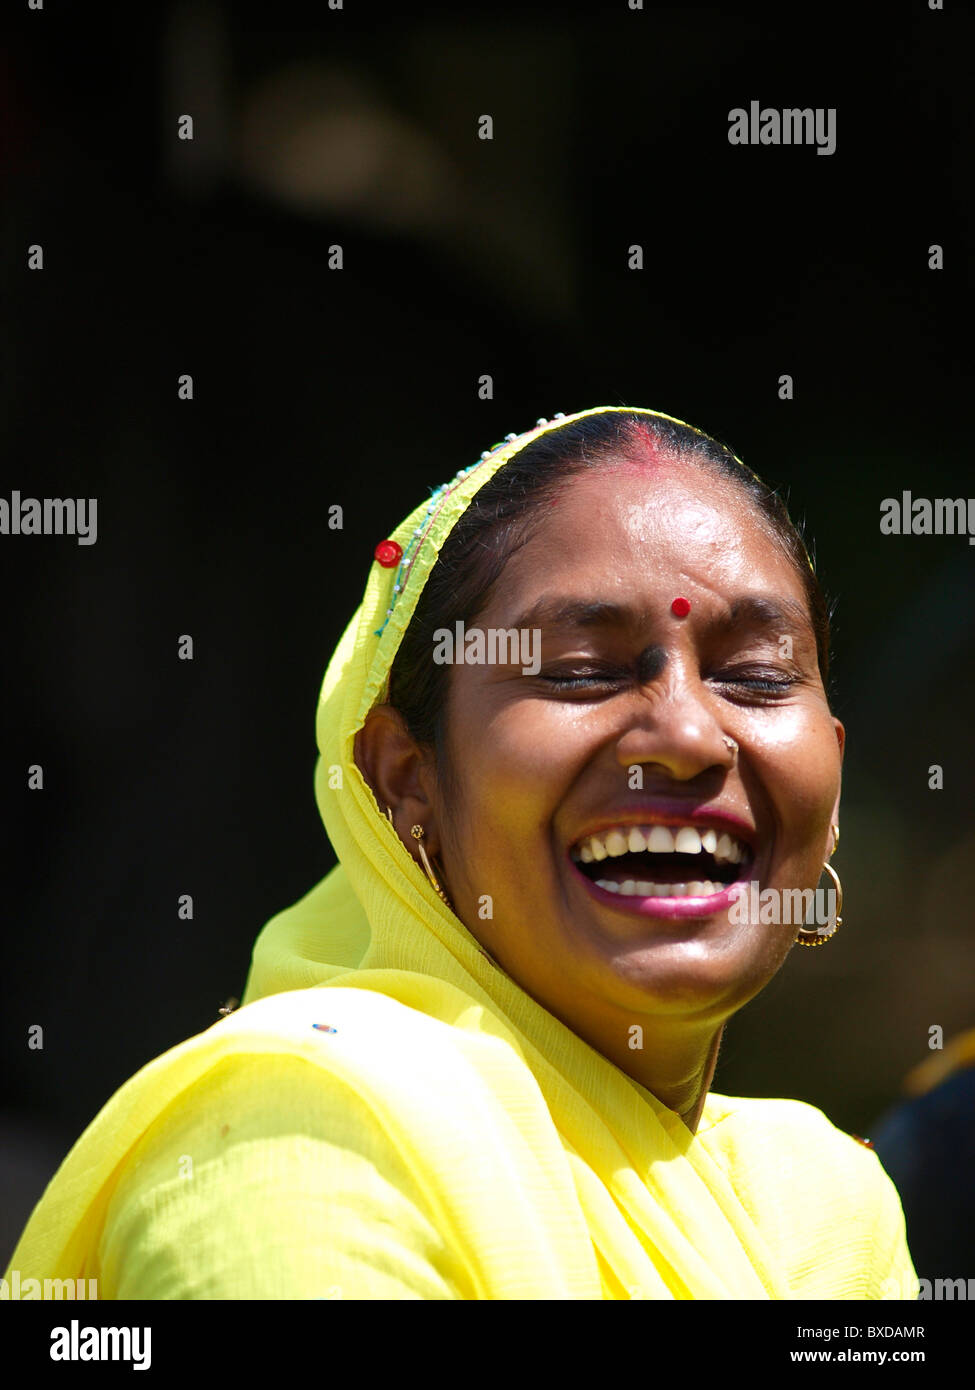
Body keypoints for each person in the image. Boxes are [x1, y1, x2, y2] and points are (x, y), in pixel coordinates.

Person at [5, 405, 918, 1299]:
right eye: (578, 672)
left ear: (830, 775)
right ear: (406, 779)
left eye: (754, 677)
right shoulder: (311, 1131)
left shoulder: (824, 1205)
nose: (685, 733)